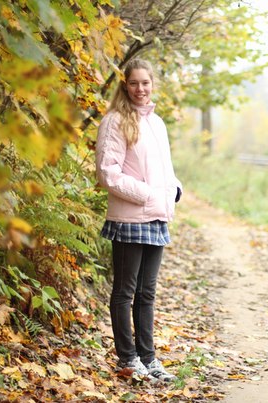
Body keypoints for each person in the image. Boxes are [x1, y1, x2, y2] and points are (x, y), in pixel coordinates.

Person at [95, 58, 182, 381]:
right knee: (125, 292)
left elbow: (164, 169)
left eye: (145, 83)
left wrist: (174, 189)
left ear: (152, 84)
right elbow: (108, 173)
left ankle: (149, 358)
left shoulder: (156, 123)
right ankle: (128, 359)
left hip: (156, 217)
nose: (140, 89)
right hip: (130, 219)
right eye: (134, 83)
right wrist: (146, 194)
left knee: (147, 293)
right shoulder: (115, 121)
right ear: (125, 85)